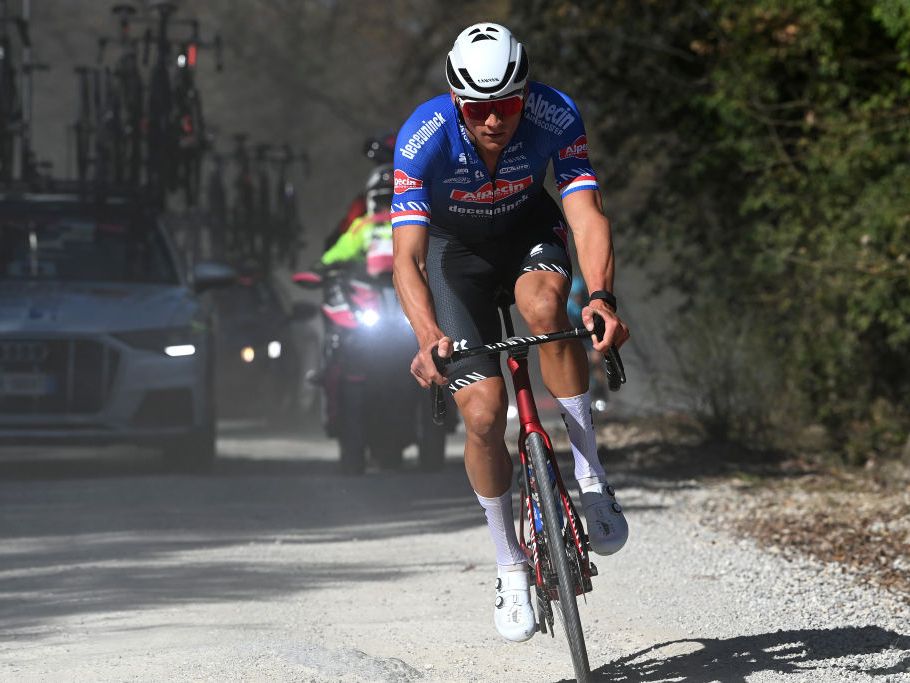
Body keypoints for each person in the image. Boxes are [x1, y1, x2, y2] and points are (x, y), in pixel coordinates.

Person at [391, 22, 631, 642]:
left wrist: (601, 298)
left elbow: (586, 214)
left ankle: (591, 477)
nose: (494, 120)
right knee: (481, 413)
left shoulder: (555, 113)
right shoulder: (422, 136)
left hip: (528, 231)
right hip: (455, 255)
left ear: (526, 95)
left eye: (507, 105)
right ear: (456, 100)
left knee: (548, 309)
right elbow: (407, 258)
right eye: (478, 109)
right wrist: (426, 333)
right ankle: (509, 564)